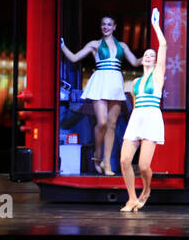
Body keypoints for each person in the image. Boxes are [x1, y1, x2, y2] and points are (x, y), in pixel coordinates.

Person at [60, 16, 139, 176]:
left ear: (114, 26)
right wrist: (62, 45)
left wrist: (151, 57)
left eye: (109, 24)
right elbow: (74, 57)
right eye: (103, 24)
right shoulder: (94, 45)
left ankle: (107, 162)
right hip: (100, 82)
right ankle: (97, 155)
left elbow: (135, 62)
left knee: (112, 125)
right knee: (102, 122)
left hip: (115, 82)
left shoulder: (122, 45)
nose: (106, 27)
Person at [120, 8, 166, 211]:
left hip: (152, 118)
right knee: (124, 160)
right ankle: (131, 198)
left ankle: (146, 190)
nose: (148, 57)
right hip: (137, 118)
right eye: (146, 55)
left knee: (144, 166)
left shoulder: (158, 76)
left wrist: (155, 25)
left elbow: (163, 45)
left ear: (156, 61)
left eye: (152, 55)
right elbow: (134, 103)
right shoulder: (135, 81)